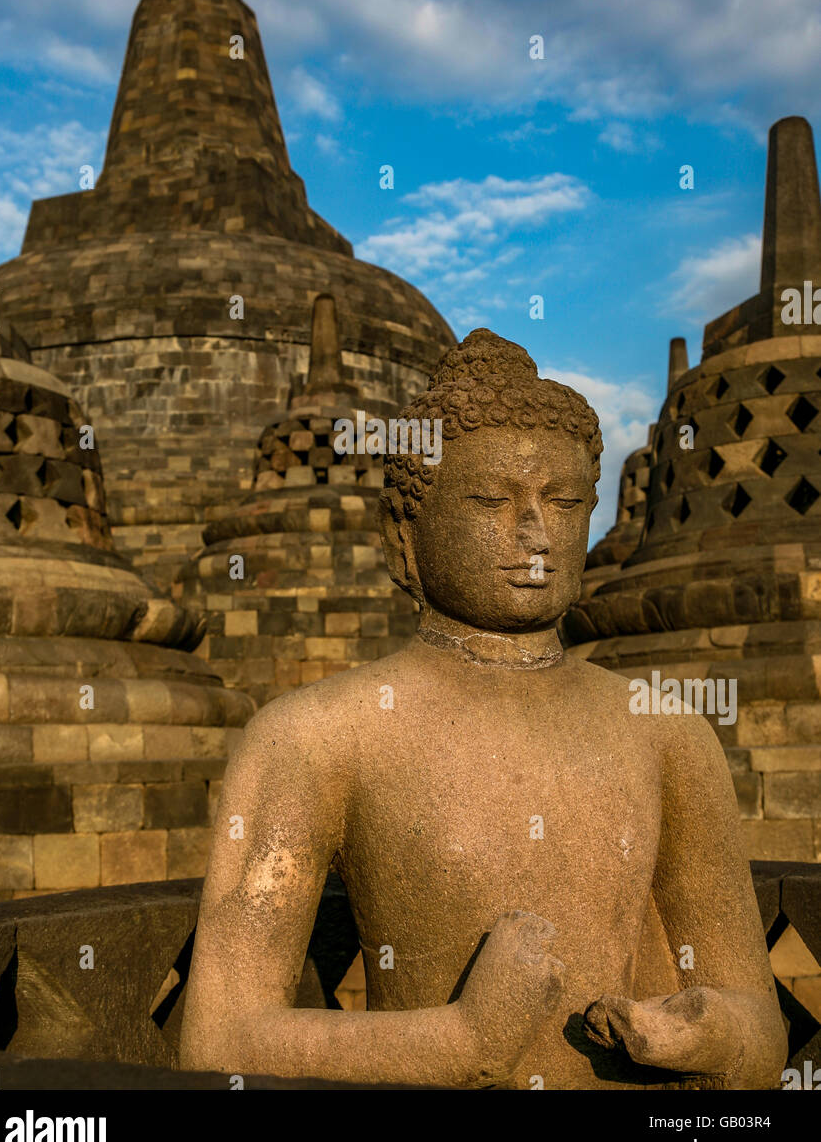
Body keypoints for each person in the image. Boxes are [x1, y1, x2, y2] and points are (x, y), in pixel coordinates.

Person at [180, 329, 786, 1089]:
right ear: (406, 537)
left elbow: (763, 1030)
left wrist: (711, 1033)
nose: (535, 533)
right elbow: (220, 1039)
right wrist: (457, 1043)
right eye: (491, 501)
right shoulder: (314, 737)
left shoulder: (667, 732)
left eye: (563, 502)